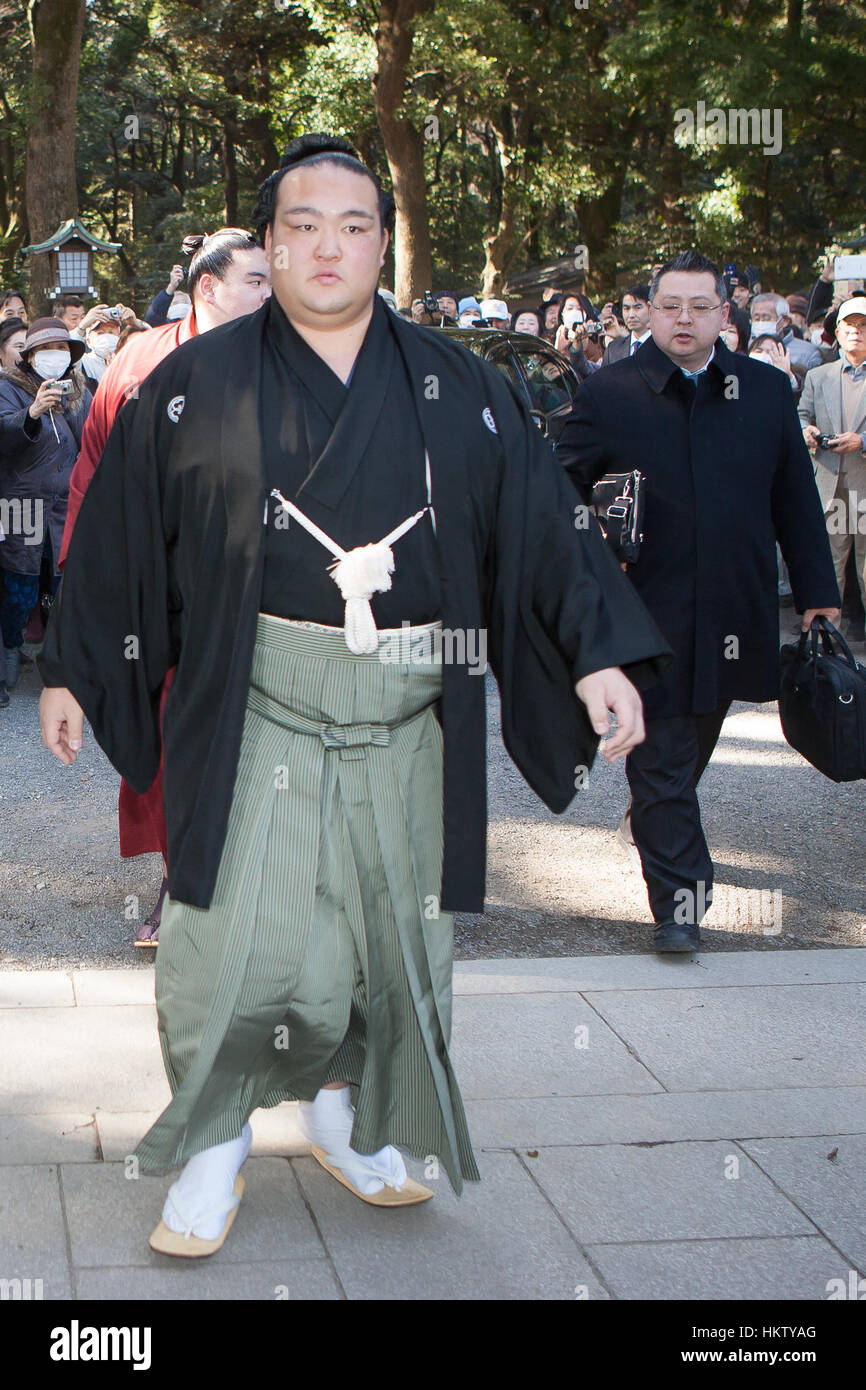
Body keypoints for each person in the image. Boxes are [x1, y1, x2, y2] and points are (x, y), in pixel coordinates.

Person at [38, 132, 670, 1255]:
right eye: (303, 226)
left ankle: (349, 1115)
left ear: (384, 243)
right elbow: (119, 542)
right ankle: (216, 1135)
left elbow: (540, 529)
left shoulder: (463, 387)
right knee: (229, 932)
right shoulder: (191, 386)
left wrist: (594, 653)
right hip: (257, 697)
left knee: (391, 934)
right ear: (268, 244)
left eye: (354, 225)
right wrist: (78, 669)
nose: (328, 247)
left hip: (407, 711)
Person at [556, 250, 840, 955]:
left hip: (734, 610)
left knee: (682, 754)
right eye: (671, 305)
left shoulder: (767, 392)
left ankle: (654, 817)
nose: (684, 318)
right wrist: (594, 536)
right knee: (661, 758)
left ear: (724, 313)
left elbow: (797, 503)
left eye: (700, 306)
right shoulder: (610, 392)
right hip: (639, 611)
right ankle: (679, 905)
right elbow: (553, 484)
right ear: (649, 311)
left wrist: (818, 597)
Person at [57, 227, 271, 948]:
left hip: (263, 589)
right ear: (209, 287)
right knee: (174, 740)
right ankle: (182, 888)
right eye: (257, 282)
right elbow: (94, 475)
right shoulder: (141, 360)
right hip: (159, 593)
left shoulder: (288, 359)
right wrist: (86, 586)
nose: (270, 295)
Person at [0, 318, 90, 693]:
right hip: (23, 503)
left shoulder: (82, 392)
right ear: (31, 357)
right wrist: (33, 412)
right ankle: (8, 652)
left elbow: (95, 440)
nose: (53, 357)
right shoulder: (9, 388)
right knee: (18, 585)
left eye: (60, 349)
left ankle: (61, 664)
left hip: (67, 505)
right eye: (43, 350)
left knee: (63, 584)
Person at [798, 298, 866, 640]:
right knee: (829, 569)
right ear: (837, 332)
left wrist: (863, 441)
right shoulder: (817, 376)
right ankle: (827, 653)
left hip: (865, 487)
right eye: (850, 325)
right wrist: (806, 432)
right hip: (828, 485)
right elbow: (800, 416)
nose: (856, 331)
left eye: (863, 325)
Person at [750, 293, 822, 372]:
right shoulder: (746, 345)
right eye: (757, 319)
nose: (761, 323)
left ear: (785, 321)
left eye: (766, 319)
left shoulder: (808, 353)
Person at [600, 285, 651, 365]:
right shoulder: (613, 349)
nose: (631, 315)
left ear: (650, 308)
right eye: (626, 309)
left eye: (637, 308)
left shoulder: (663, 345)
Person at [78, 310, 122, 394]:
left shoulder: (127, 362)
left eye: (111, 332)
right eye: (100, 333)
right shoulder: (84, 362)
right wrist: (81, 327)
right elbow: (67, 354)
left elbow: (135, 396)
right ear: (88, 341)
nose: (106, 337)